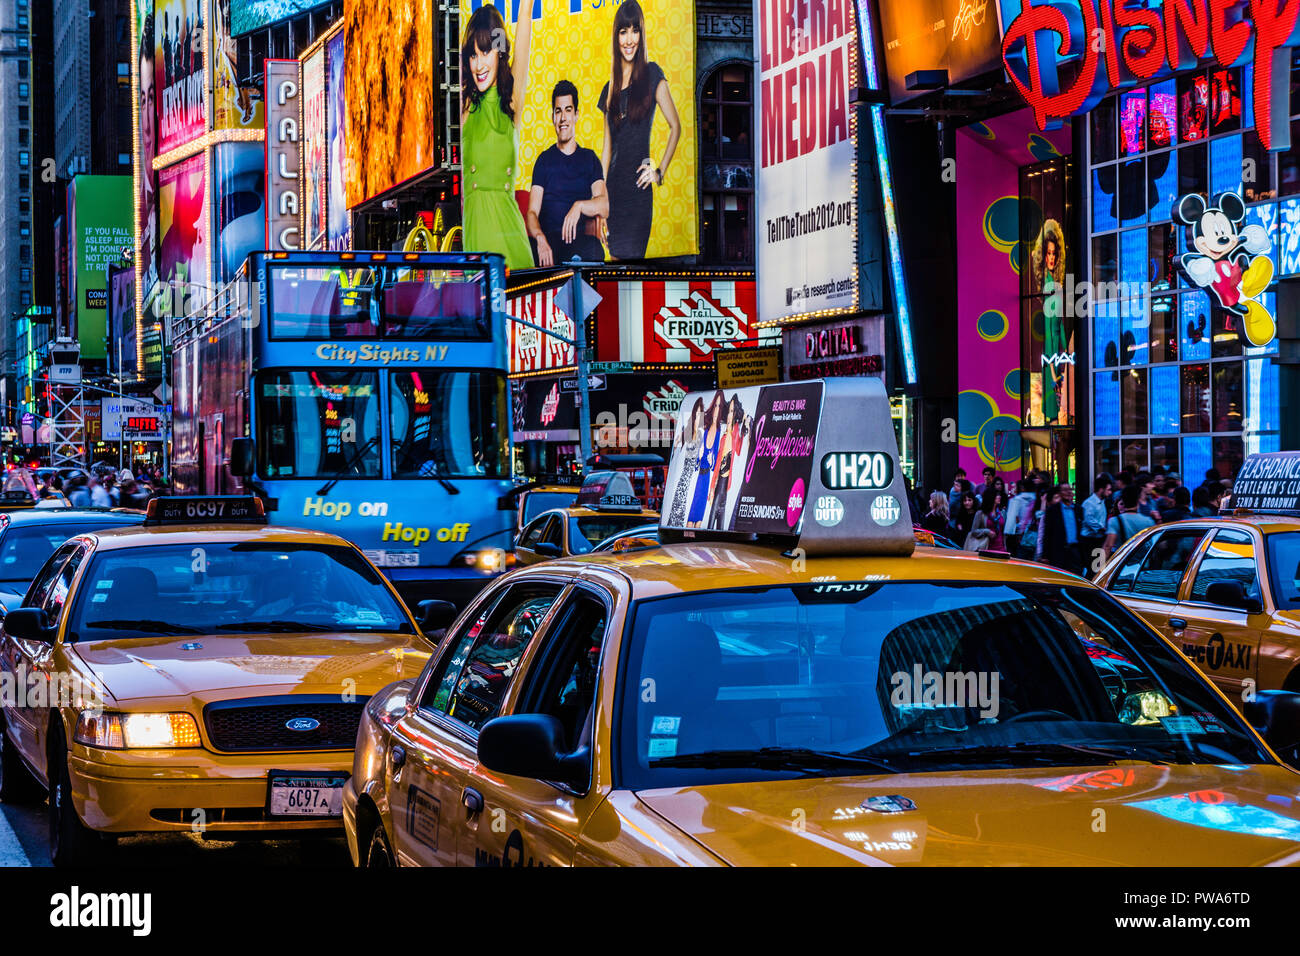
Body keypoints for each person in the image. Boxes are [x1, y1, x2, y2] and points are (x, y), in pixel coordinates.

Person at [598, 0, 681, 259]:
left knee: (630, 271)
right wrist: (600, 204)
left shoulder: (652, 74)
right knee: (614, 273)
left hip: (637, 195)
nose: (629, 39)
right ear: (616, 36)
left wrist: (659, 173)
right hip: (613, 195)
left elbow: (675, 126)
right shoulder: (608, 89)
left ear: (642, 34)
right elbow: (606, 151)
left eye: (635, 30)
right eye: (623, 31)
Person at [460, 2, 535, 270]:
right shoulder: (466, 105)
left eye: (487, 51)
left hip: (513, 253)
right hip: (477, 256)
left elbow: (525, 14)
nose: (479, 64)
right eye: (473, 55)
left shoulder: (510, 101)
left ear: (500, 52)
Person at [527, 80, 608, 266]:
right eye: (558, 111)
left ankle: (575, 274)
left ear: (576, 115)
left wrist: (578, 206)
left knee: (594, 249)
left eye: (568, 110)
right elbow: (532, 211)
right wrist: (540, 238)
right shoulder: (544, 160)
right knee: (525, 250)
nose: (563, 118)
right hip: (547, 243)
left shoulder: (589, 159)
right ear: (553, 117)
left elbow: (604, 205)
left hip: (577, 244)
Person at [687, 391, 724, 528]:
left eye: (719, 407)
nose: (716, 410)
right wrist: (699, 456)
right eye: (715, 406)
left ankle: (696, 528)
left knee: (701, 506)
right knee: (693, 506)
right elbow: (693, 452)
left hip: (707, 475)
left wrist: (711, 459)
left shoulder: (719, 432)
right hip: (697, 475)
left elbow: (715, 462)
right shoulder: (705, 428)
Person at [1041, 482, 1084, 574]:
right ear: (1059, 493)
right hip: (1058, 551)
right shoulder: (1052, 511)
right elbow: (1047, 533)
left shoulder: (1078, 509)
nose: (1068, 492)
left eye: (1070, 489)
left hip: (1075, 550)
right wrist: (1045, 555)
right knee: (1058, 579)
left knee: (1075, 580)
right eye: (1065, 490)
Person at [1103, 485, 1156, 560]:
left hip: (1122, 564)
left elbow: (1108, 546)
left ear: (1123, 500)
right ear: (1138, 500)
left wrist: (1100, 567)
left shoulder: (1115, 521)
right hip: (1142, 565)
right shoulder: (1149, 521)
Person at [1079, 473, 1112, 573]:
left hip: (1099, 539)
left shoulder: (1103, 502)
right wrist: (1103, 529)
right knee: (1092, 568)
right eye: (1108, 489)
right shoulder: (1089, 503)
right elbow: (1089, 520)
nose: (1110, 492)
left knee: (1098, 567)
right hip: (1089, 541)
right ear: (1101, 489)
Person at [1004, 478, 1037, 555]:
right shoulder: (1037, 500)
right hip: (1033, 536)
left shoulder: (1016, 500)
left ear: (1022, 488)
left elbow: (1011, 521)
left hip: (1016, 536)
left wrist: (1008, 535)